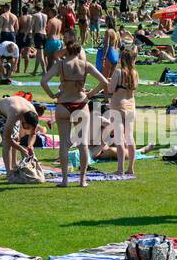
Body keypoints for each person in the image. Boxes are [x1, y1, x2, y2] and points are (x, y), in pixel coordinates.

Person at [40, 33, 109, 188]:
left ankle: (64, 180)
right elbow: (104, 82)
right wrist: (91, 94)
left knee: (64, 144)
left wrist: (52, 94)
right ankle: (82, 180)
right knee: (83, 144)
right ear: (78, 51)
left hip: (63, 104)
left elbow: (43, 81)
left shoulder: (61, 64)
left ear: (67, 51)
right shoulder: (85, 64)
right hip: (80, 104)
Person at [106, 47, 139, 176]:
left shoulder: (118, 72)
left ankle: (120, 169)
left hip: (118, 106)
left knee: (119, 139)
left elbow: (110, 89)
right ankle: (131, 168)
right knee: (130, 138)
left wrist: (107, 82)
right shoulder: (135, 73)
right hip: (131, 107)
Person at [0, 93, 42, 174]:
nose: (28, 130)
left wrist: (30, 145)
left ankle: (14, 166)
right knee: (7, 143)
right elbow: (7, 138)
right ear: (23, 121)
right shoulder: (14, 114)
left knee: (16, 139)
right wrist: (21, 149)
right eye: (27, 127)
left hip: (17, 106)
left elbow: (33, 134)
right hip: (1, 110)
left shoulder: (33, 114)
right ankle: (9, 172)